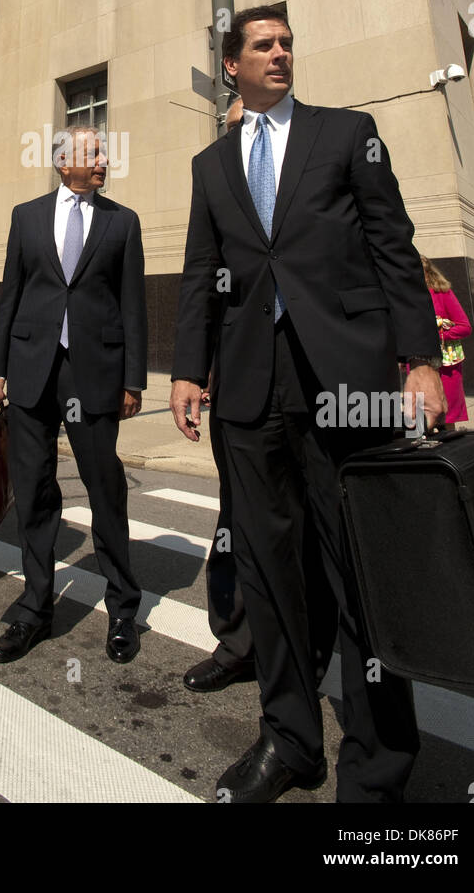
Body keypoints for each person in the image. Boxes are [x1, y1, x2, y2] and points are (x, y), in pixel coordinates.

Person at [170, 5, 445, 804]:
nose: (280, 52)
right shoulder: (212, 165)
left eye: (287, 42)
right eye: (262, 45)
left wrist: (419, 358)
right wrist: (190, 369)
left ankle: (377, 766)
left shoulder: (344, 132)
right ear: (233, 66)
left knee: (359, 570)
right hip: (249, 391)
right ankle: (288, 740)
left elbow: (394, 244)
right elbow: (199, 275)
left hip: (345, 383)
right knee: (268, 572)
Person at [0, 125, 146, 664]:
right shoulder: (26, 216)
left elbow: (133, 305)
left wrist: (133, 379)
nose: (104, 160)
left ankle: (123, 607)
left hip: (95, 373)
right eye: (94, 152)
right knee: (33, 492)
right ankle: (35, 608)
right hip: (32, 370)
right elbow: (11, 295)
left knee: (105, 489)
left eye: (103, 152)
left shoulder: (122, 222)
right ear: (62, 162)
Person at [184, 93, 256, 693]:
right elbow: (202, 281)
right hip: (237, 385)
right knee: (236, 516)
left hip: (315, 391)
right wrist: (193, 369)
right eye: (233, 129)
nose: (243, 138)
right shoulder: (213, 180)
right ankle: (235, 642)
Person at [420, 255, 471, 427]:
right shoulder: (408, 296)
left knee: (447, 412)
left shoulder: (442, 292)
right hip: (420, 360)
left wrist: (439, 332)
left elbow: (464, 326)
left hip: (446, 362)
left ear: (427, 272)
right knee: (425, 412)